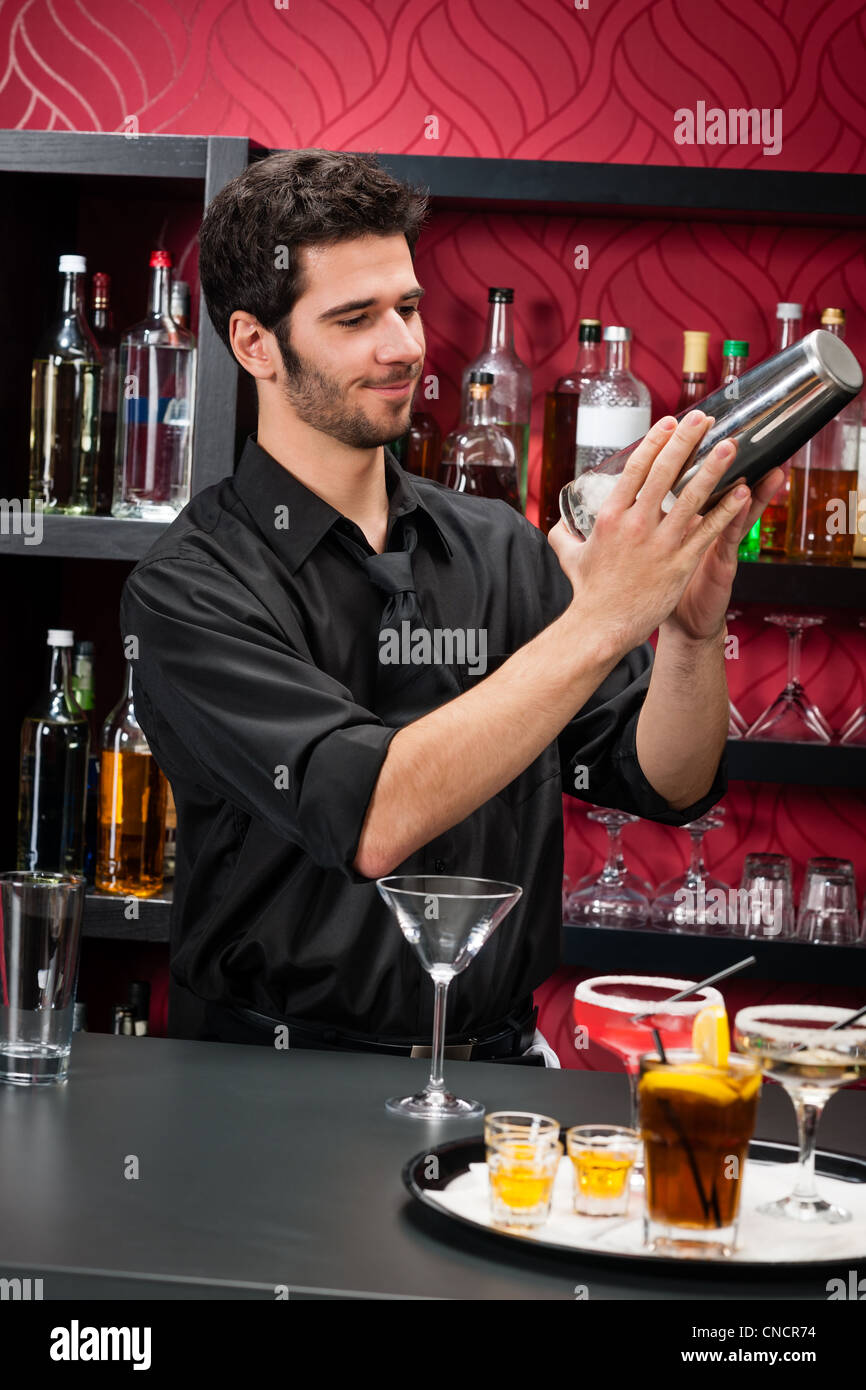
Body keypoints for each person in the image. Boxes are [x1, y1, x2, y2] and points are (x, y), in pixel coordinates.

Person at [119, 149, 784, 1065]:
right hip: (269, 1087)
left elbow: (664, 783)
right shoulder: (191, 587)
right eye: (355, 318)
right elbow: (374, 819)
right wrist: (600, 620)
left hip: (498, 1071)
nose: (403, 347)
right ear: (253, 343)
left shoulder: (497, 546)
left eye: (408, 306)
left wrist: (686, 632)